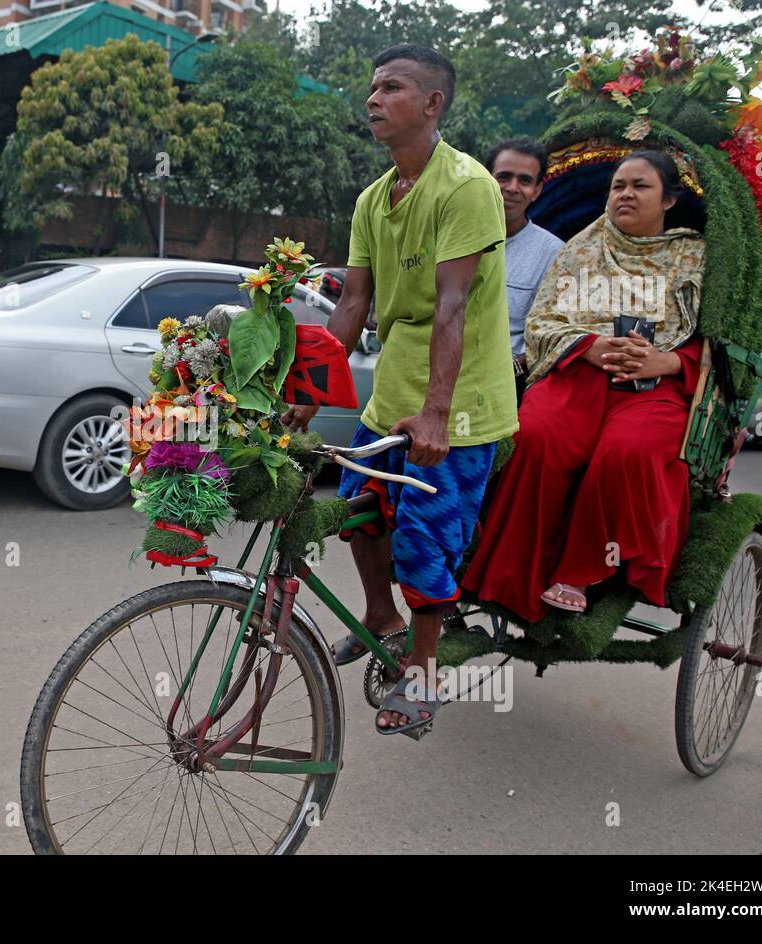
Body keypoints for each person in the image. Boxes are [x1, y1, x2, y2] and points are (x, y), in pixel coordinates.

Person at [281, 44, 518, 737]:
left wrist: (438, 413)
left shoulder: (467, 187)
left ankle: (420, 672)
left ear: (434, 104)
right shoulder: (372, 199)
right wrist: (312, 389)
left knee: (421, 539)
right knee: (357, 508)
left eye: (392, 87)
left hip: (461, 402)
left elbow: (452, 307)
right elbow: (352, 305)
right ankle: (381, 617)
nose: (373, 99)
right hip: (392, 394)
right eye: (372, 86)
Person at [461, 150, 707, 620]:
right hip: (577, 374)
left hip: (653, 388)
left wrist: (668, 361)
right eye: (618, 186)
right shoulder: (580, 248)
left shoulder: (695, 256)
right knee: (534, 437)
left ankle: (582, 570)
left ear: (670, 200)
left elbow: (716, 340)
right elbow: (542, 322)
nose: (626, 194)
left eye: (640, 186)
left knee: (627, 452)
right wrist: (587, 346)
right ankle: (510, 573)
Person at [486, 137, 564, 389]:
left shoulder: (553, 253)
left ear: (538, 190)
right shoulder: (450, 234)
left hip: (507, 381)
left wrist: (514, 368)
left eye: (525, 181)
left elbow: (551, 335)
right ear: (486, 178)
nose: (512, 188)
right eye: (504, 177)